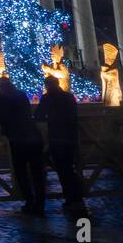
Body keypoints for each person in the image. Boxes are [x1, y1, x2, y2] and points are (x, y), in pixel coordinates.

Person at [0, 77, 45, 215]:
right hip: (33, 135)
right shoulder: (21, 95)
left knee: (21, 172)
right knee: (37, 171)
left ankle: (29, 200)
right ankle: (40, 203)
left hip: (16, 137)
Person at [35, 76, 86, 215]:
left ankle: (71, 199)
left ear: (48, 86)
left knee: (63, 170)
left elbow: (39, 115)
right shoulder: (69, 97)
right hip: (71, 137)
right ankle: (77, 198)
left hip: (57, 137)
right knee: (70, 168)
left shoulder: (47, 98)